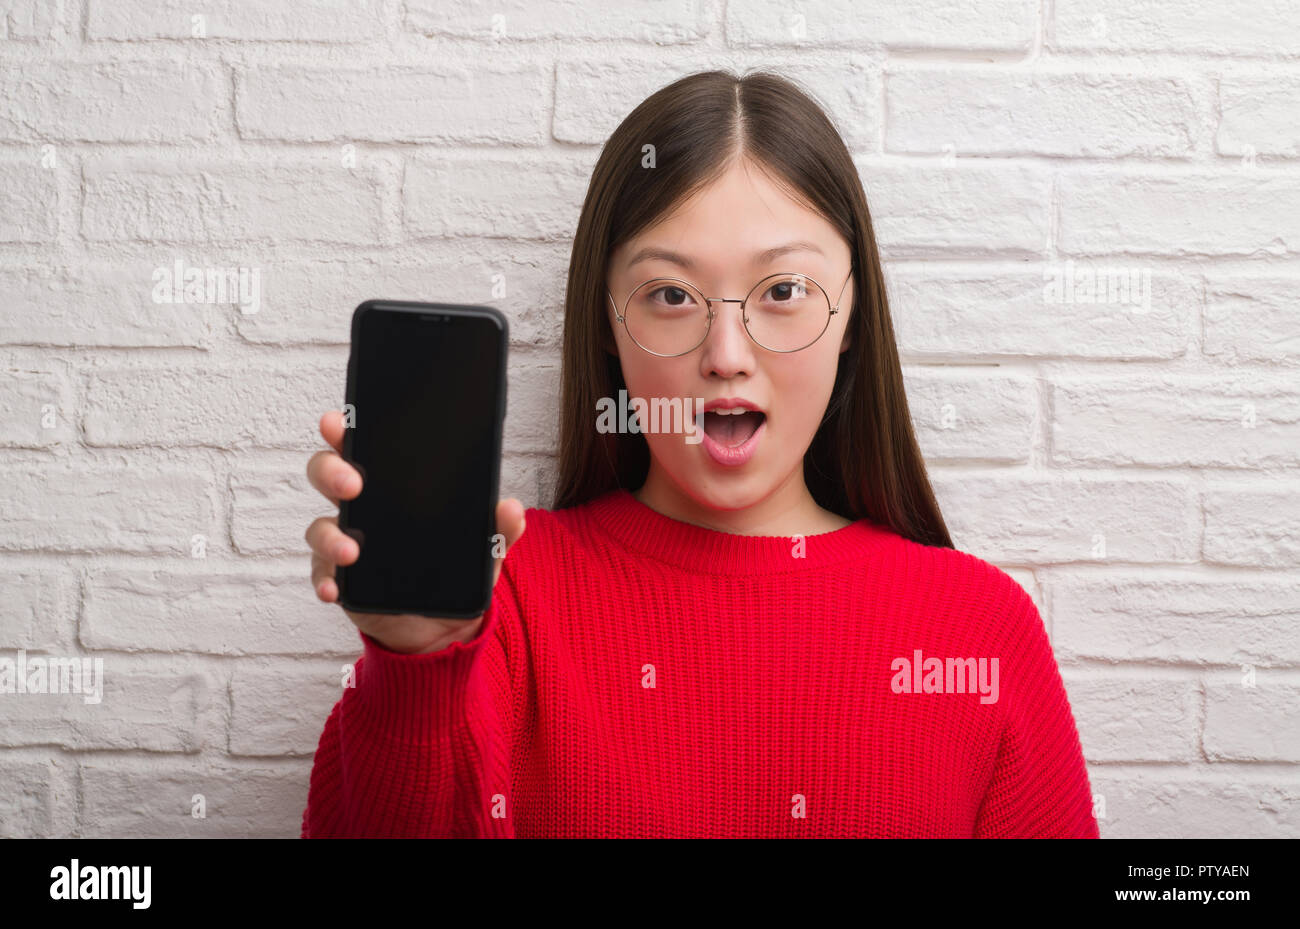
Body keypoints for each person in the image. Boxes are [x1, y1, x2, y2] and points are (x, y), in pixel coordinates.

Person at [299, 69, 1100, 838]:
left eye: (784, 292)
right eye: (672, 295)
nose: (726, 353)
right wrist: (415, 668)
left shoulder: (979, 631)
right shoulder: (506, 598)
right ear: (609, 325)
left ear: (854, 316)